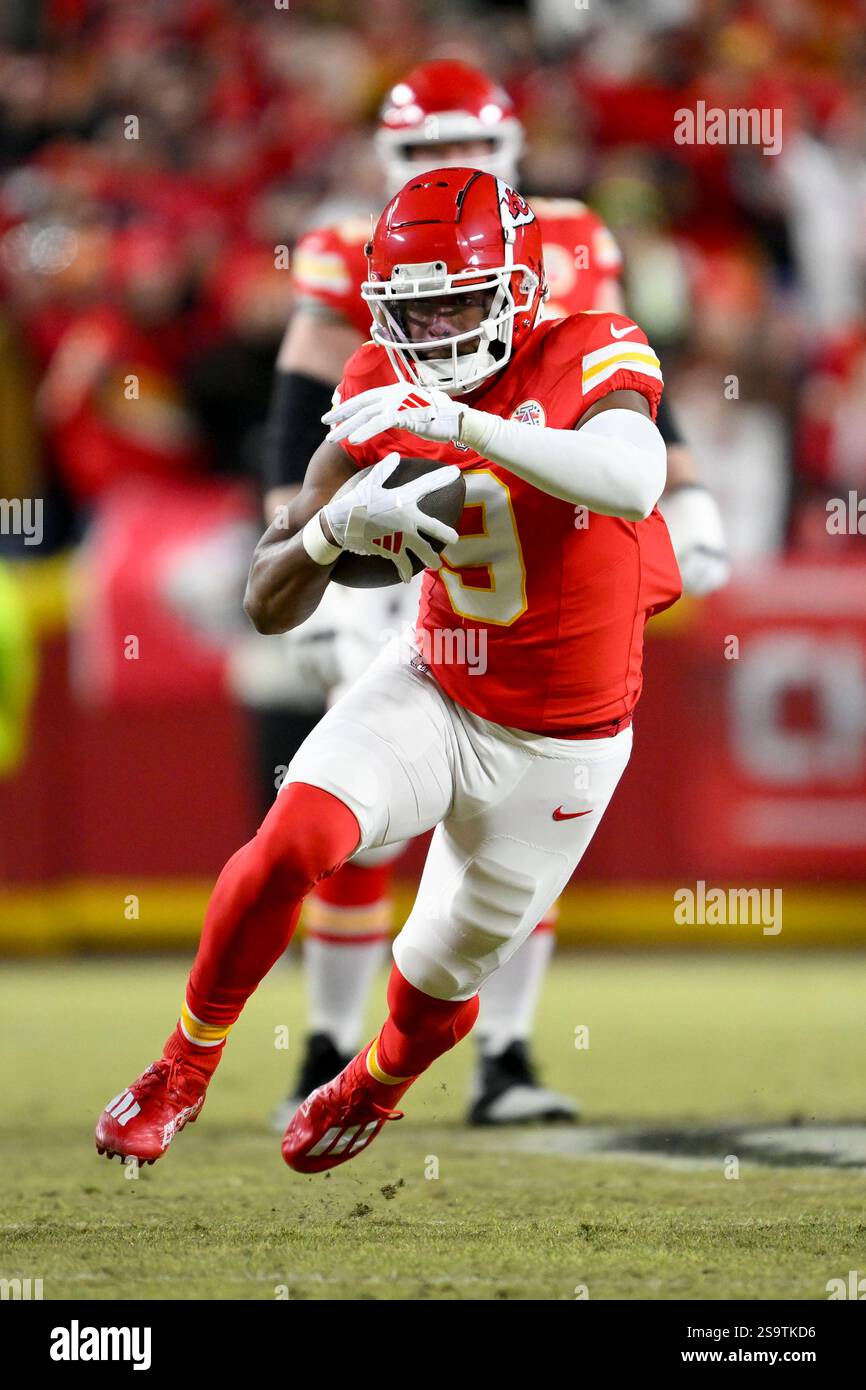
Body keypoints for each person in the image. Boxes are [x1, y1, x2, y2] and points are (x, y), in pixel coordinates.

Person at [95, 168, 681, 1173]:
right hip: (437, 686)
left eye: (458, 297)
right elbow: (265, 600)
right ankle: (182, 1065)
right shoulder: (373, 380)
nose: (438, 327)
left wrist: (464, 427)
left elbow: (631, 478)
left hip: (565, 745)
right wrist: (326, 531)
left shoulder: (588, 346)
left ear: (518, 284)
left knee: (434, 979)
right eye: (415, 308)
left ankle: (377, 1077)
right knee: (293, 842)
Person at [261, 60, 726, 1128]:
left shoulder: (570, 240)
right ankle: (329, 1040)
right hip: (405, 521)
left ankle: (503, 1052)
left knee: (525, 802)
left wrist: (686, 494)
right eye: (419, 150)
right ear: (387, 159)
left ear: (512, 149)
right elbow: (307, 400)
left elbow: (619, 370)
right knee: (359, 818)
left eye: (462, 143)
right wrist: (307, 539)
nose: (443, 167)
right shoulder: (354, 243)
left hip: (538, 528)